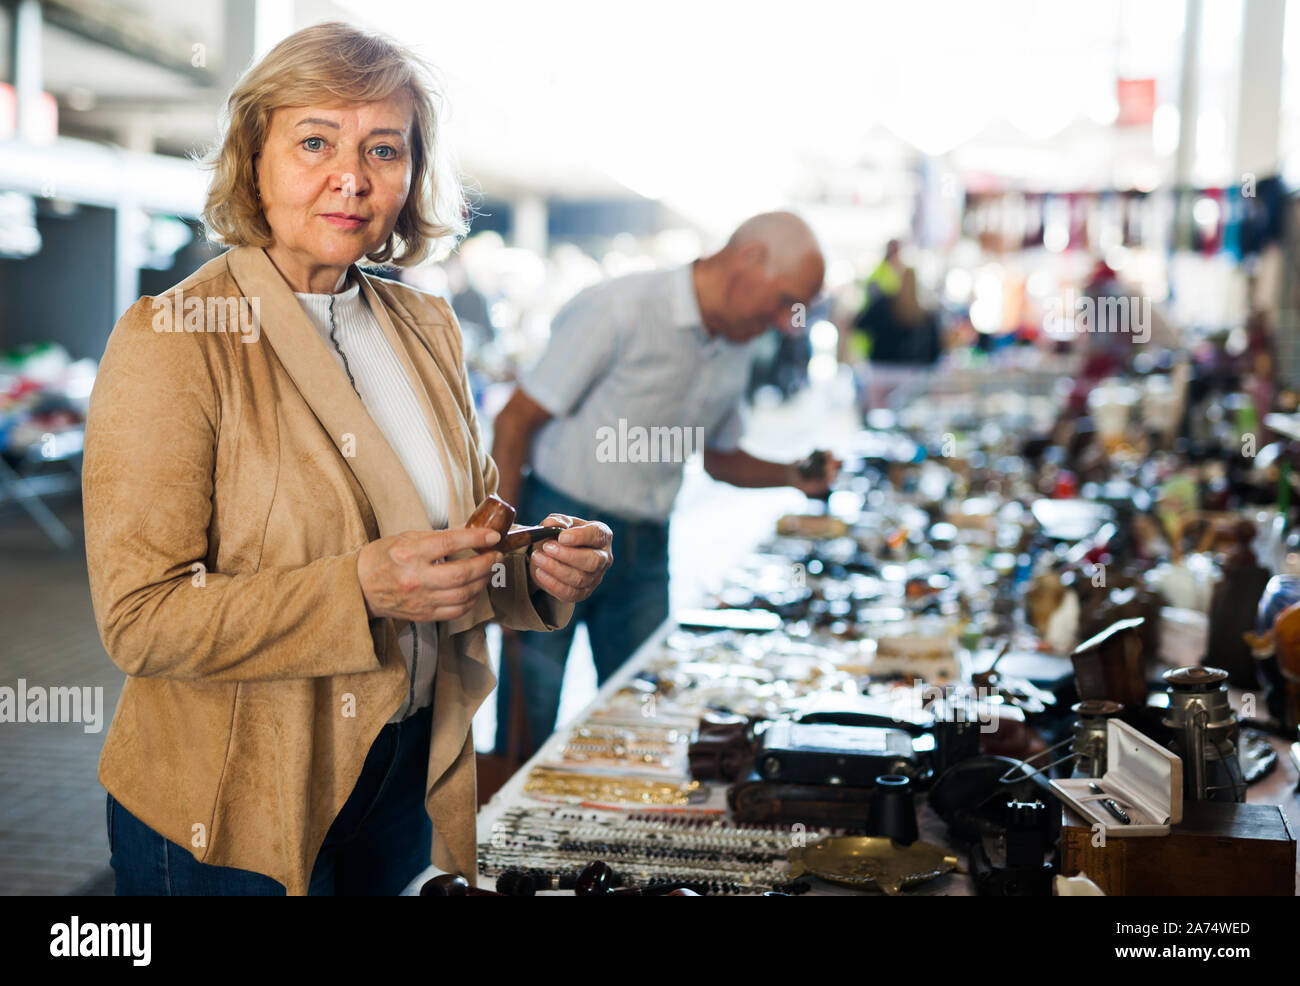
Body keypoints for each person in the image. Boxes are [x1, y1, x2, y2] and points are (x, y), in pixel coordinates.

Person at [82, 22, 612, 896]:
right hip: (235, 795)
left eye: (384, 149)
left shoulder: (425, 328)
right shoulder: (174, 337)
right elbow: (143, 619)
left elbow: (458, 544)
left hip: (404, 776)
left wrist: (535, 572)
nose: (352, 177)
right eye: (316, 141)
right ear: (255, 156)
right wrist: (359, 589)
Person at [490, 212, 837, 758]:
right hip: (555, 534)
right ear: (749, 259)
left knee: (643, 722)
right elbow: (515, 421)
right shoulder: (622, 308)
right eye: (785, 301)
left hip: (646, 548)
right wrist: (503, 550)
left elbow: (719, 460)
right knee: (527, 720)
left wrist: (793, 476)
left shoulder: (741, 343)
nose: (787, 323)